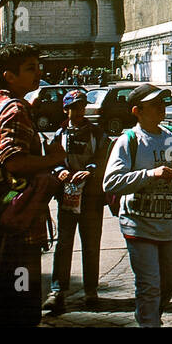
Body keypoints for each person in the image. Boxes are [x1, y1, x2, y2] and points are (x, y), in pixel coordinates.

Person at [0, 44, 67, 328]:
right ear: (9, 76)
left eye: (37, 67)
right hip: (17, 227)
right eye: (30, 68)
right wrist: (52, 159)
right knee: (22, 305)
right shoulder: (15, 109)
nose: (38, 73)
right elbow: (12, 160)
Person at [103, 84, 172, 327]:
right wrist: (149, 175)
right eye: (154, 105)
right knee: (149, 285)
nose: (161, 109)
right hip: (138, 225)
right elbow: (110, 183)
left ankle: (148, 314)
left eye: (162, 103)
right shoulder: (128, 141)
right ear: (137, 111)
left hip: (170, 227)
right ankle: (149, 321)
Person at [44, 90, 107, 314]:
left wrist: (89, 171)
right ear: (65, 110)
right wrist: (60, 171)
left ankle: (91, 291)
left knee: (91, 245)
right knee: (64, 244)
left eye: (81, 107)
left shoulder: (97, 133)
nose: (78, 112)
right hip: (67, 195)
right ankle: (57, 291)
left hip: (91, 197)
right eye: (74, 108)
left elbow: (104, 158)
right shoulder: (59, 134)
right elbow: (52, 159)